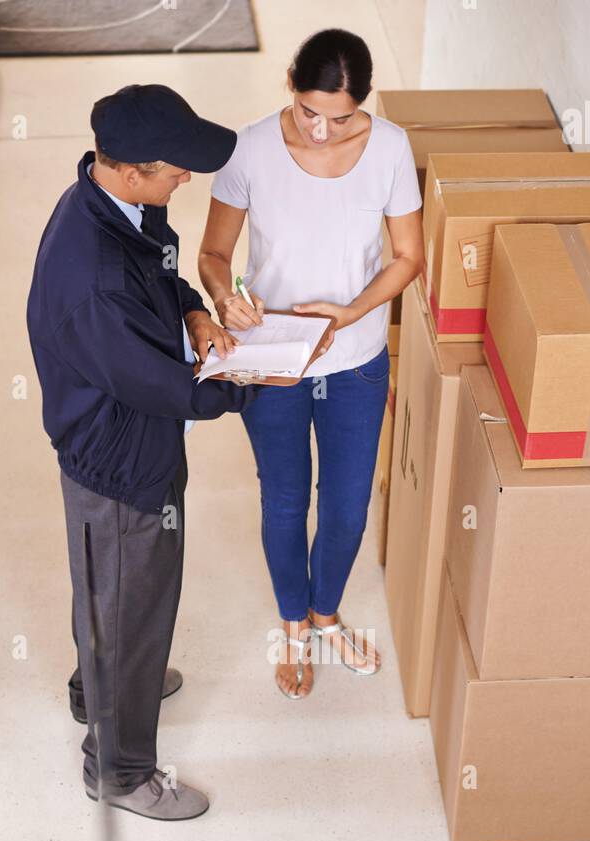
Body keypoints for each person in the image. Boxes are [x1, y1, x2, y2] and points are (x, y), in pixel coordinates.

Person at [27, 84, 247, 820]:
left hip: (122, 442)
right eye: (174, 168)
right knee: (132, 598)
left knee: (107, 585)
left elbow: (163, 273)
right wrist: (253, 382)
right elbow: (167, 388)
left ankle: (97, 691)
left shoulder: (117, 203)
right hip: (122, 461)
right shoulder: (90, 273)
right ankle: (118, 771)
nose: (185, 178)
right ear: (126, 169)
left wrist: (193, 312)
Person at [198, 28, 424, 699]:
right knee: (285, 500)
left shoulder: (389, 148)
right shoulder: (247, 150)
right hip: (271, 360)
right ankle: (294, 625)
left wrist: (351, 313)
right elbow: (214, 254)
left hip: (355, 359)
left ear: (366, 102)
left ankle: (327, 612)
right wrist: (226, 295)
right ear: (290, 84)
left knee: (349, 507)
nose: (323, 131)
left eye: (342, 116)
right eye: (308, 113)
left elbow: (410, 259)